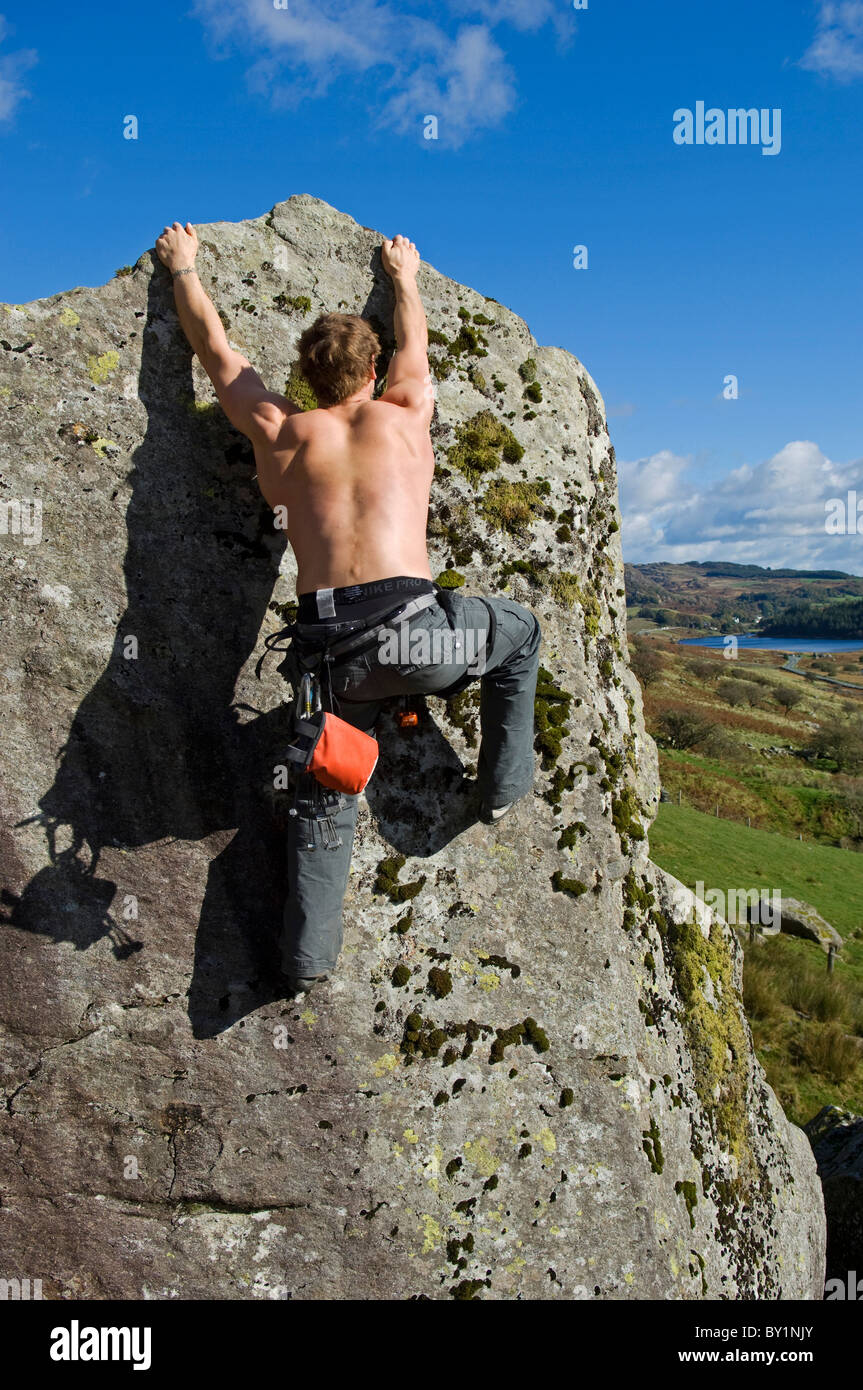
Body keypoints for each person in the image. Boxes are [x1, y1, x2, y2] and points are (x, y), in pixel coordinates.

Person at [155, 220, 541, 996]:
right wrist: (403, 276)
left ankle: (305, 963)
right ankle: (500, 790)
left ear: (302, 376)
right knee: (522, 634)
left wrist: (184, 269)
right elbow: (417, 352)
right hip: (425, 643)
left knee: (325, 799)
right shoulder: (406, 413)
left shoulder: (282, 432)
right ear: (372, 371)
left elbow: (218, 356)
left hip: (337, 666)